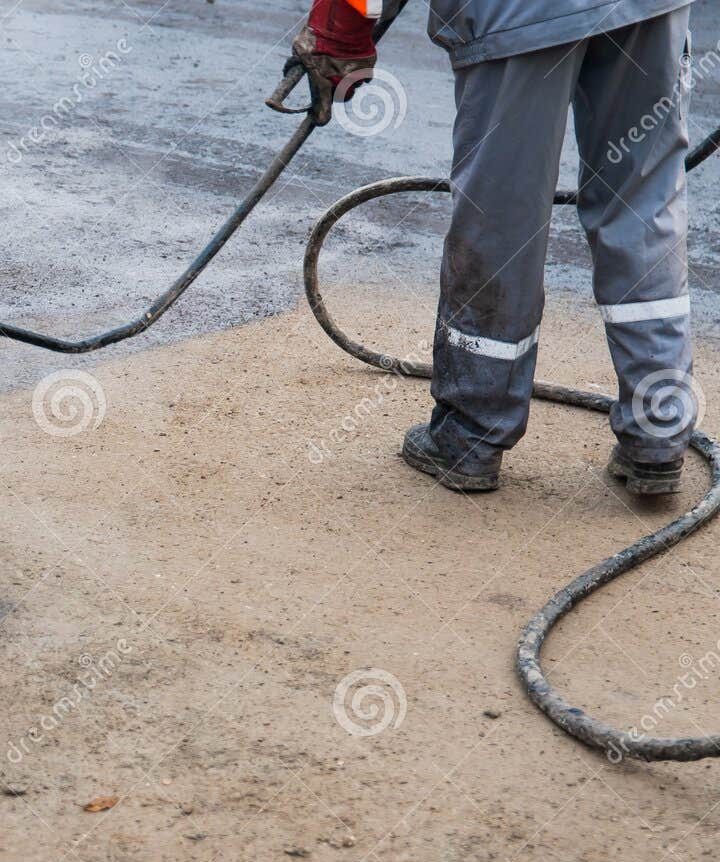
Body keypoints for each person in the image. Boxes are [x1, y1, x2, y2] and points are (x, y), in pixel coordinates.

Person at [291, 0, 698, 495]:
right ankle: (657, 433)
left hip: (518, 15)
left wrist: (340, 33)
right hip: (647, 10)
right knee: (642, 200)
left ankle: (469, 434)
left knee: (503, 210)